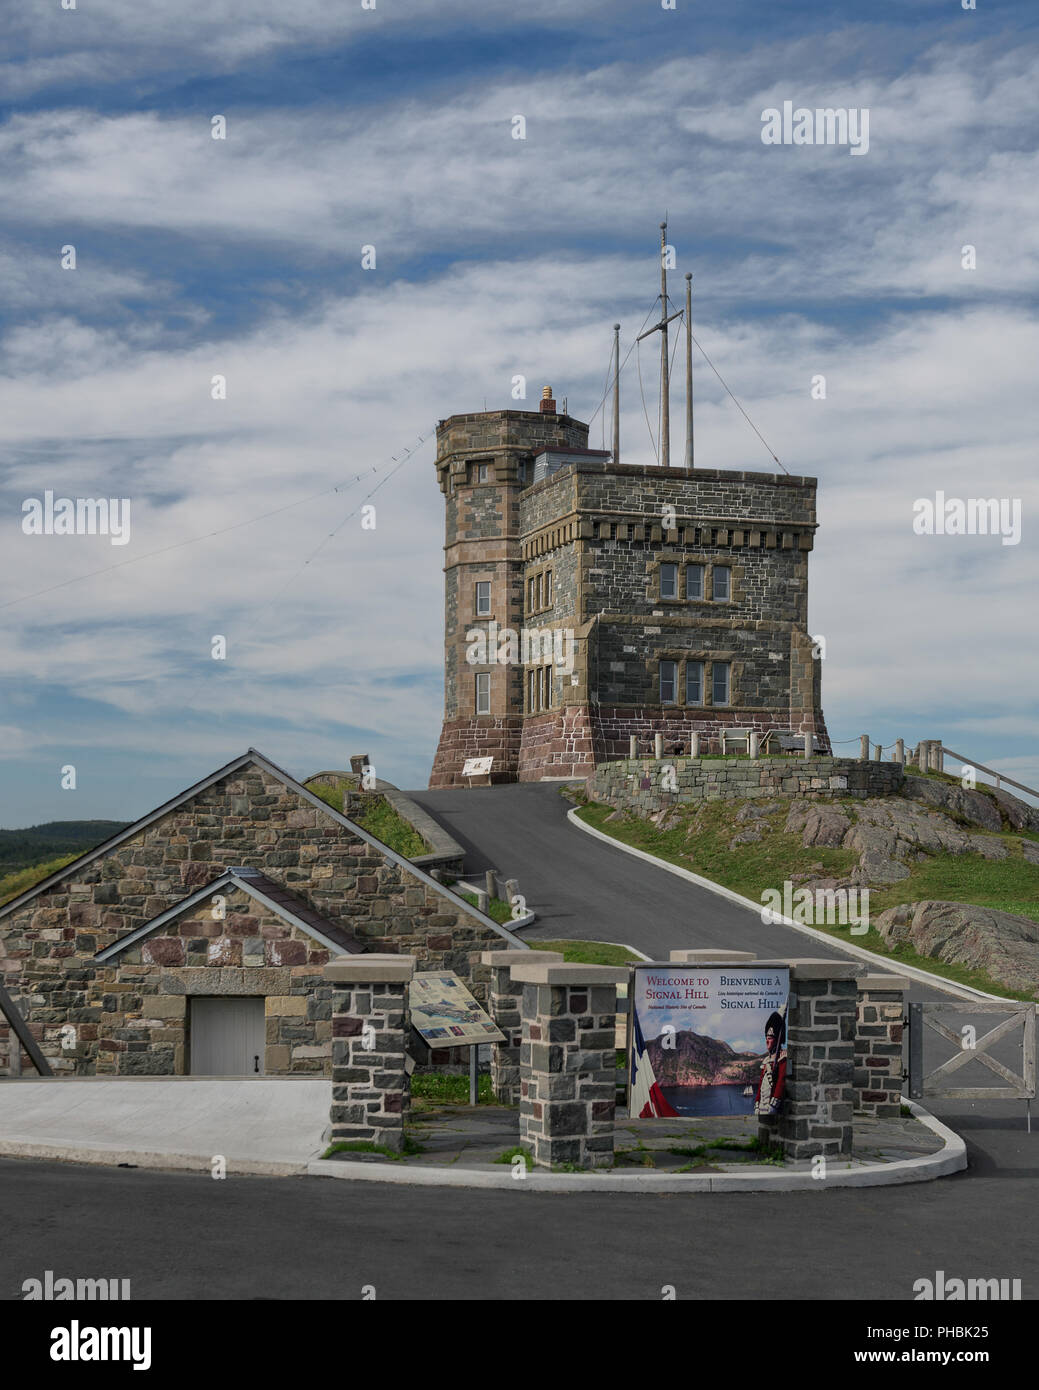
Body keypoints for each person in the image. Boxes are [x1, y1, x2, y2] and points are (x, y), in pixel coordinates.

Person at [754, 1008, 787, 1117]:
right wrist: (757, 1104)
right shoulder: (766, 1061)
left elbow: (781, 1082)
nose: (766, 1041)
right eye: (766, 1038)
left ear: (777, 1039)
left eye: (770, 1038)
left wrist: (774, 1105)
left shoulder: (782, 1058)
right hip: (763, 1108)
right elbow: (760, 1086)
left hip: (772, 1108)